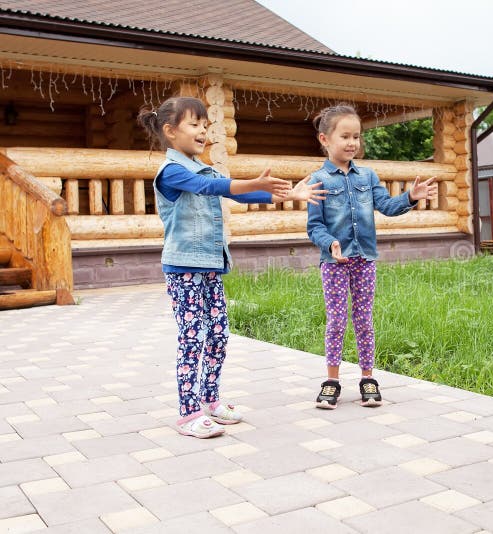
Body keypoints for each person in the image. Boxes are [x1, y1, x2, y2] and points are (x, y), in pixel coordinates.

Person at [138, 96, 326, 438]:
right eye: (194, 124)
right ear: (169, 131)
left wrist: (287, 196)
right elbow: (208, 187)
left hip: (211, 265)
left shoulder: (204, 167)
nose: (202, 131)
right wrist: (254, 182)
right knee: (192, 338)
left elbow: (235, 194)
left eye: (205, 126)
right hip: (183, 267)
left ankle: (210, 400)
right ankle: (187, 412)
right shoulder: (173, 172)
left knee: (219, 334)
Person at [306, 104, 437, 409]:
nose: (352, 143)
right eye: (345, 136)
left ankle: (368, 378)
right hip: (335, 263)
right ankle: (332, 381)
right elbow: (314, 226)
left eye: (356, 136)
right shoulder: (318, 180)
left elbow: (388, 207)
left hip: (365, 259)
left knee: (364, 319)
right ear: (325, 139)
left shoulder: (368, 176)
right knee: (337, 320)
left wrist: (410, 197)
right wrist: (330, 245)